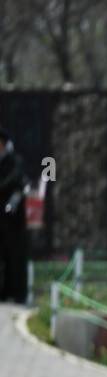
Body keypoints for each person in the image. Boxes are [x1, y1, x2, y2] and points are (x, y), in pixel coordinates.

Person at [0, 127, 29, 304]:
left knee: (14, 257)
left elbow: (16, 181)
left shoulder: (14, 162)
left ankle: (17, 293)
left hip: (12, 221)